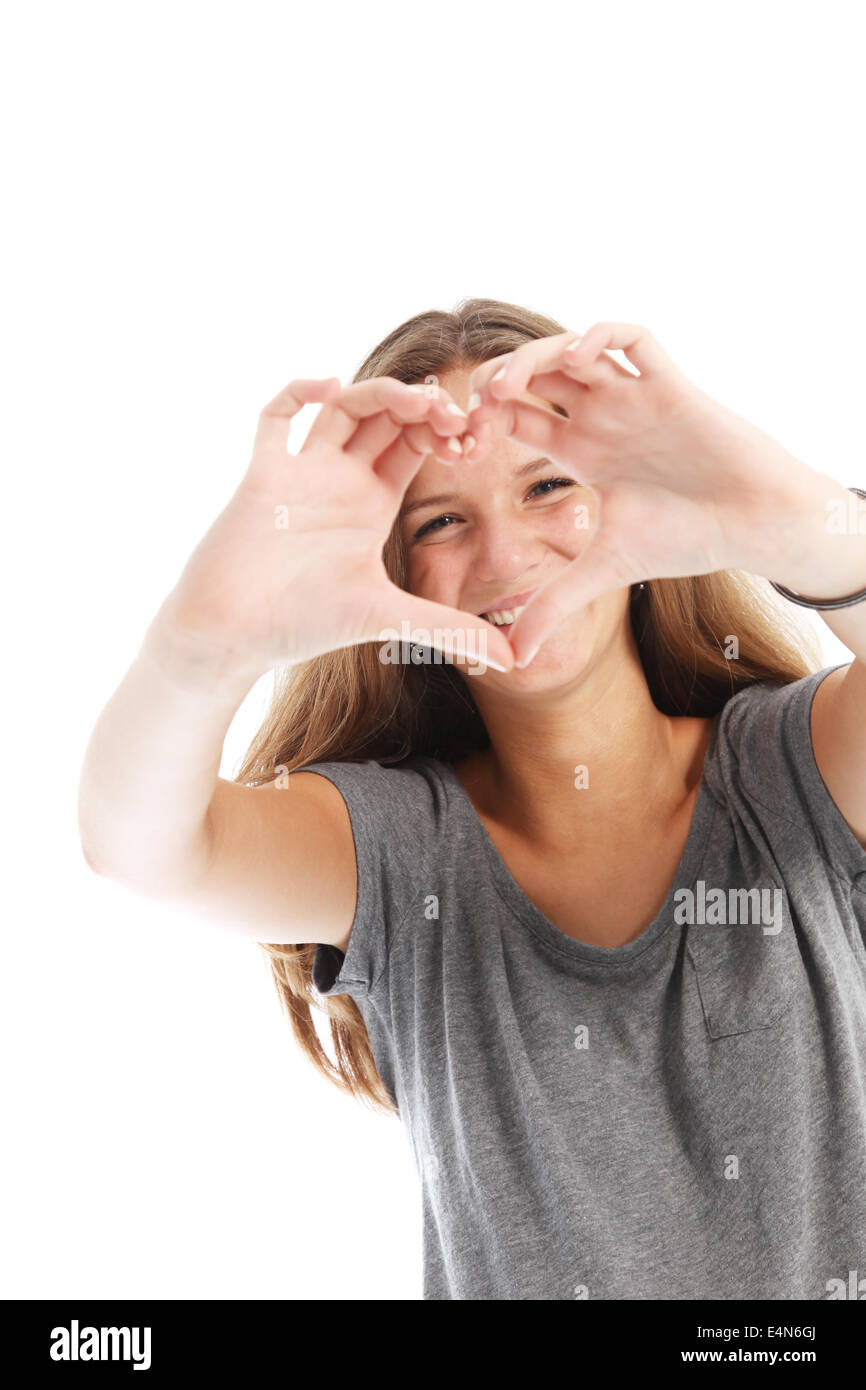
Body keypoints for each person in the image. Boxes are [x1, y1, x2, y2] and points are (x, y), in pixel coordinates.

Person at [78, 298, 866, 1301]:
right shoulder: (406, 854)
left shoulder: (790, 769)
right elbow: (135, 846)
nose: (503, 556)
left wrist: (794, 519)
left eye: (545, 485)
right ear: (393, 572)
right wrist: (203, 641)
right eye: (442, 519)